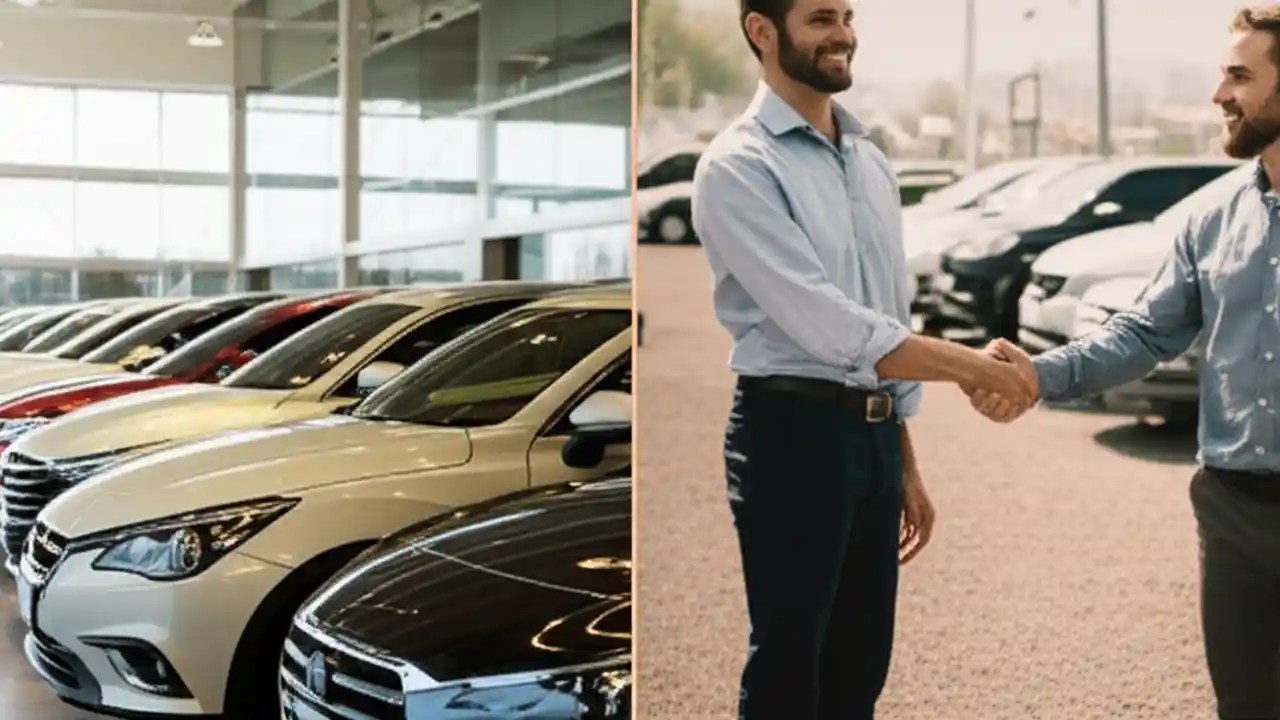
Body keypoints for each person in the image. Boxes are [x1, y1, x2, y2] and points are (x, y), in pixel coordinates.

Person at [690, 1, 1037, 718]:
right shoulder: (738, 166)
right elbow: (831, 326)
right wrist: (975, 368)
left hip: (873, 440)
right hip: (790, 435)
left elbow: (887, 315)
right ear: (762, 31)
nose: (843, 33)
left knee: (859, 669)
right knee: (791, 668)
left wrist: (903, 461)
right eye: (820, 18)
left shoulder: (869, 160)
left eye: (847, 15)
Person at [971, 6, 1280, 719]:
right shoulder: (1212, 220)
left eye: (1239, 75)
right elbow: (1143, 334)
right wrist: (1036, 374)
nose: (1219, 94)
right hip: (1232, 510)